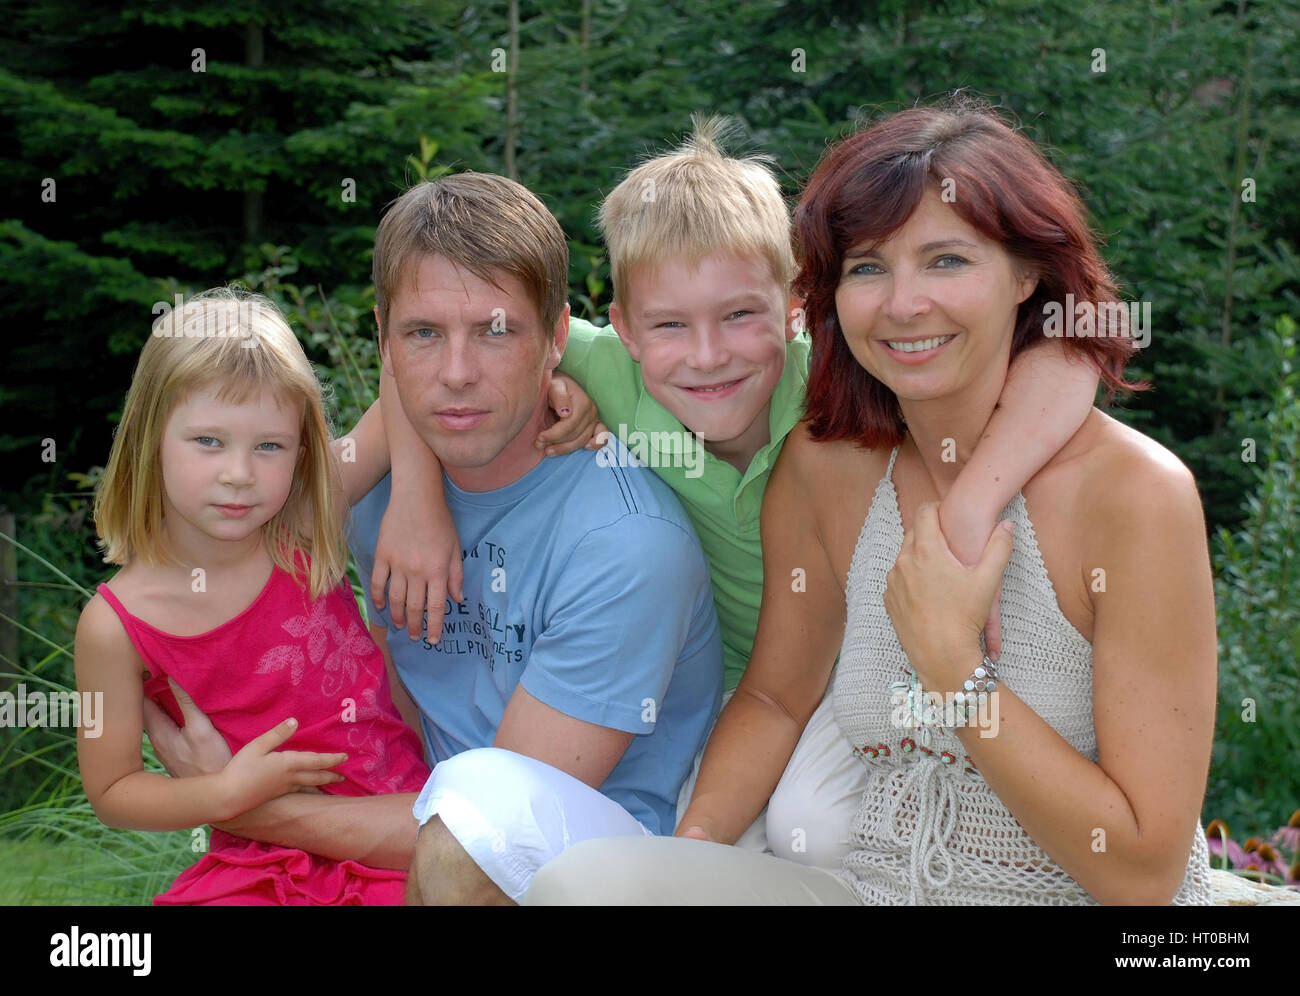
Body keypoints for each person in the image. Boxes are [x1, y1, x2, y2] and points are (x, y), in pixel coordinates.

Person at [524, 95, 1217, 904]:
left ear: (1027, 272)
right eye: (868, 267)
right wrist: (694, 855)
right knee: (588, 885)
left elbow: (1142, 874)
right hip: (875, 892)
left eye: (947, 261)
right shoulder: (833, 464)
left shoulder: (1135, 498)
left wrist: (955, 668)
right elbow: (777, 698)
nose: (903, 303)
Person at [388, 115, 1101, 875]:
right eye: (670, 325)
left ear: (795, 301)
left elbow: (1069, 350)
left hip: (867, 662)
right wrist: (415, 500)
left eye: (738, 315)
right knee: (702, 845)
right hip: (731, 693)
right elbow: (429, 353)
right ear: (623, 329)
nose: (706, 356)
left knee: (810, 825)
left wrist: (973, 506)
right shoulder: (601, 365)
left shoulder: (833, 372)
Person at [144, 172, 723, 905]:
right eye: (424, 334)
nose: (456, 374)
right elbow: (215, 559)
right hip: (392, 816)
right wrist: (410, 480)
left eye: (495, 331)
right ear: (384, 343)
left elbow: (483, 834)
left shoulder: (626, 546)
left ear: (555, 339)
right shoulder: (378, 495)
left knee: (457, 850)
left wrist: (234, 802)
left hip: (580, 866)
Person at [76, 288, 431, 904]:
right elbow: (114, 790)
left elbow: (401, 384)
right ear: (149, 438)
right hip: (254, 868)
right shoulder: (114, 625)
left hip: (393, 836)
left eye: (269, 446)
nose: (239, 473)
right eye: (208, 441)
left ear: (301, 450)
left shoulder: (301, 526)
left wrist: (578, 381)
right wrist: (220, 795)